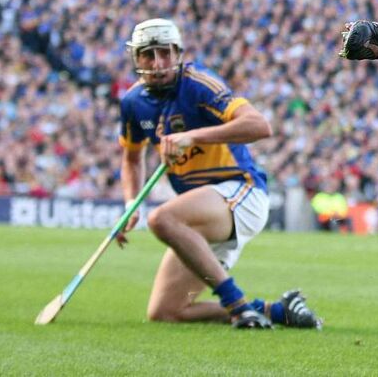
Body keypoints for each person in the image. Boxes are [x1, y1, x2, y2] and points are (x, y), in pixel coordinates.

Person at [117, 18, 321, 329]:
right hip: (200, 215)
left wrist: (192, 137)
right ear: (136, 58)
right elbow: (131, 158)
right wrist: (131, 202)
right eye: (148, 55)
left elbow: (259, 125)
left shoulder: (199, 84)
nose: (157, 63)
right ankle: (277, 311)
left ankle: (238, 306)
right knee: (166, 311)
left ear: (178, 53)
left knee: (161, 219)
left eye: (165, 53)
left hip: (240, 192)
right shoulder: (133, 103)